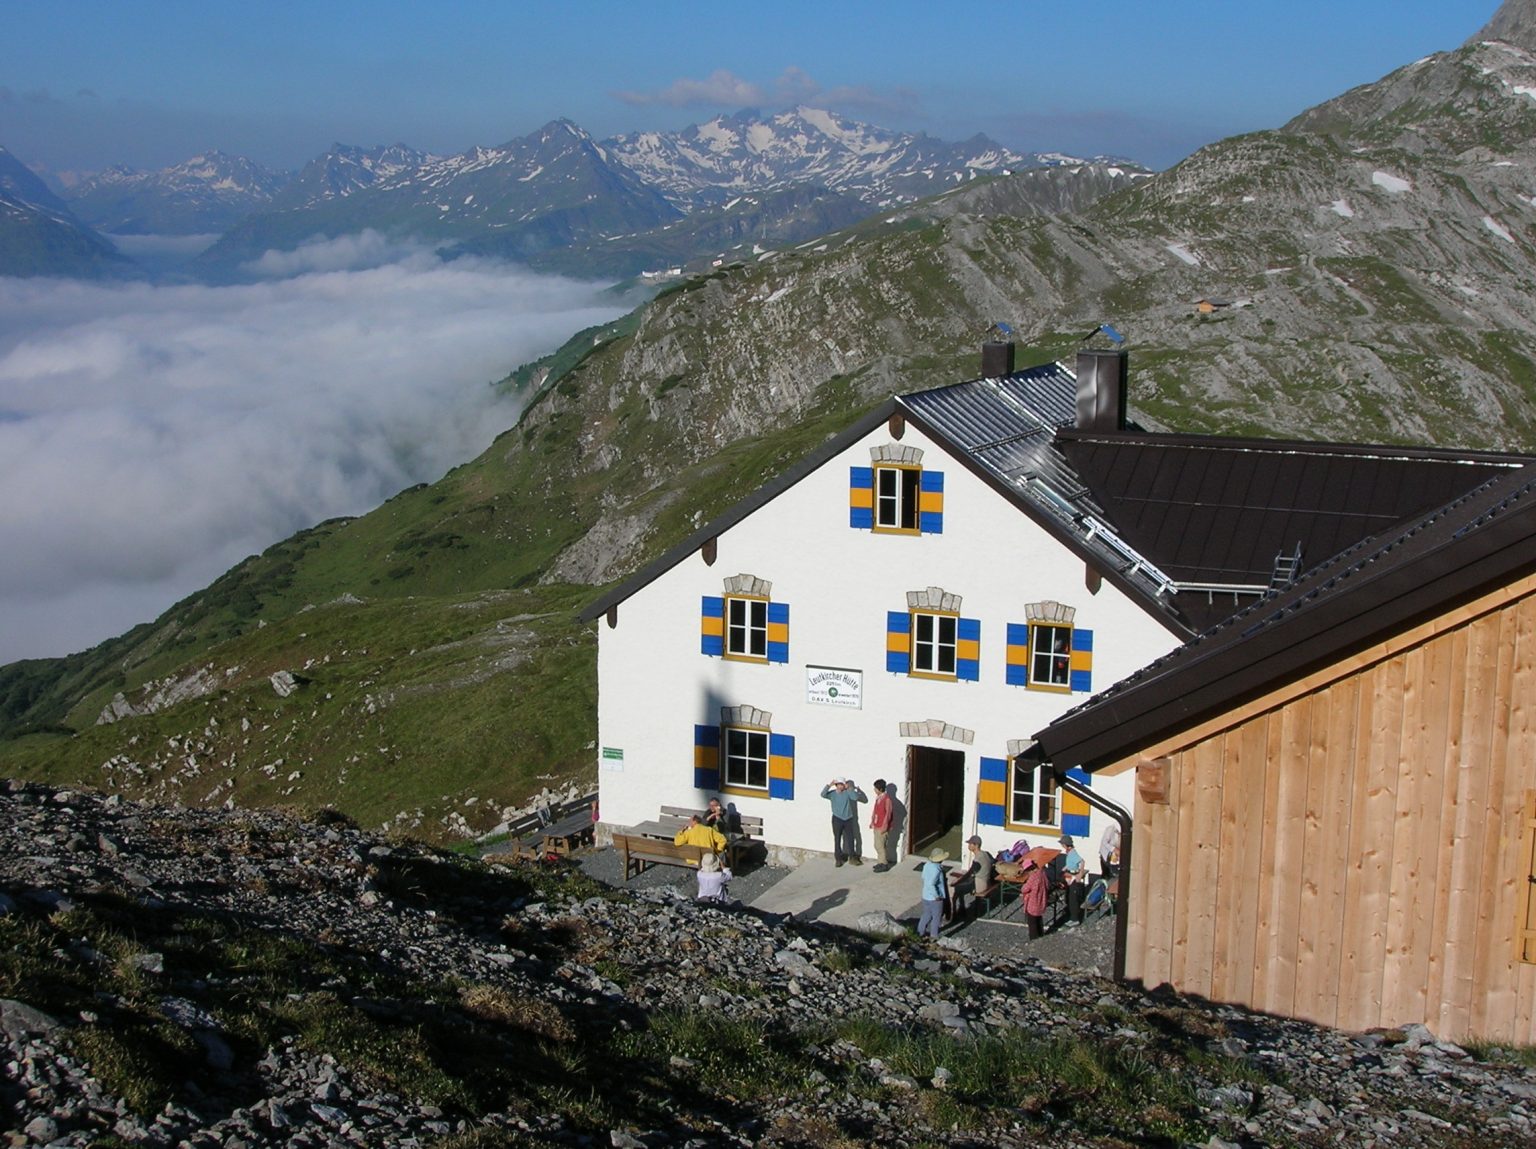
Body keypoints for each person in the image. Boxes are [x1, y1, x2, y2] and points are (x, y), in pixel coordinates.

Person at [819, 778, 867, 865]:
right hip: (837, 819)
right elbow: (822, 794)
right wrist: (829, 785)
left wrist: (850, 789)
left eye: (842, 784)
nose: (841, 786)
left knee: (851, 838)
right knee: (837, 839)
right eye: (839, 784)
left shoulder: (847, 792)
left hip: (848, 819)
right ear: (836, 785)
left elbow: (855, 797)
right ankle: (838, 859)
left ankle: (852, 858)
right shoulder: (832, 794)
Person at [947, 834, 994, 919]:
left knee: (953, 889)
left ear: (976, 845)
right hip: (985, 881)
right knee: (960, 886)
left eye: (970, 844)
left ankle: (953, 914)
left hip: (980, 885)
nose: (969, 845)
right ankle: (961, 909)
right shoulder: (985, 854)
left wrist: (957, 881)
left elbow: (969, 873)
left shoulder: (978, 859)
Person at [917, 847, 949, 938]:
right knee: (936, 917)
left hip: (925, 895)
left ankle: (920, 932)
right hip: (934, 898)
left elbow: (923, 877)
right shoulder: (937, 869)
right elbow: (931, 884)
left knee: (926, 914)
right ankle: (934, 936)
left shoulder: (927, 865)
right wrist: (937, 895)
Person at [1060, 833, 1087, 926]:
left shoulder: (1072, 853)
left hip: (1073, 877)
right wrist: (1065, 867)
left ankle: (1075, 919)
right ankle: (1072, 916)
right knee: (1069, 898)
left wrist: (1080, 873)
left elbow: (1082, 861)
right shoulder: (1070, 853)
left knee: (1073, 899)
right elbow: (1071, 862)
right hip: (1069, 875)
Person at [1021, 857, 1049, 940]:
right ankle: (1041, 935)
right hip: (1041, 900)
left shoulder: (1033, 877)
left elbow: (1024, 889)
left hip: (1033, 902)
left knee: (1032, 923)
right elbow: (1047, 884)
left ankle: (1034, 938)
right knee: (1039, 919)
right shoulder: (1042, 873)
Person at [869, 779, 895, 871]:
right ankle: (880, 862)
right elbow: (875, 811)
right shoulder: (878, 798)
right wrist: (872, 821)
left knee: (880, 845)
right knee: (877, 845)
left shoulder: (887, 799)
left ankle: (883, 863)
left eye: (875, 788)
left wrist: (885, 826)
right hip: (877, 824)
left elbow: (888, 814)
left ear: (880, 789)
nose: (874, 790)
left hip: (882, 826)